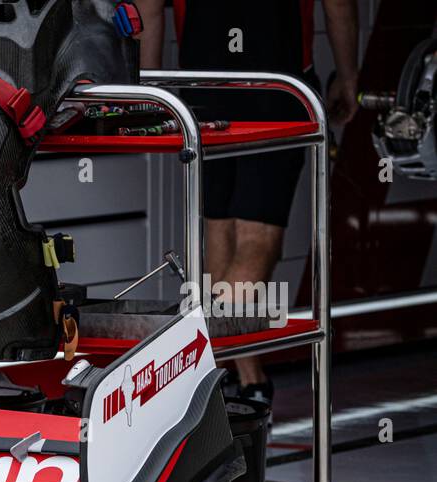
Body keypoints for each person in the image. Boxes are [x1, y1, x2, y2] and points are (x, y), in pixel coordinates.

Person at [138, 0, 359, 403]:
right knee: (258, 241)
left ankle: (237, 378)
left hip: (203, 90)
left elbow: (148, 8)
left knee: (218, 230)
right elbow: (339, 7)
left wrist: (151, 87)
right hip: (277, 90)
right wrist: (348, 77)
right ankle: (215, 379)